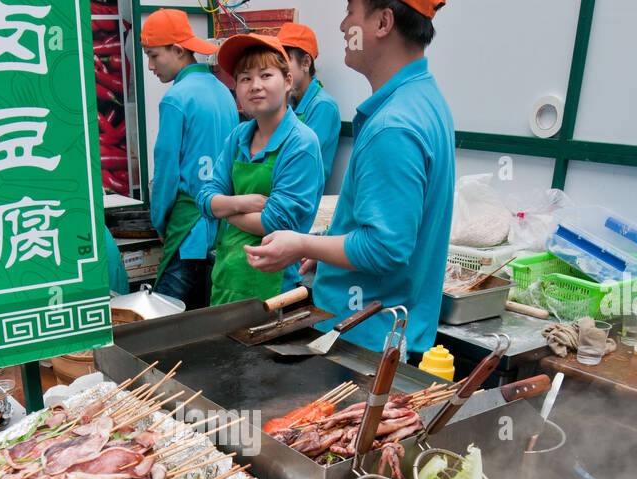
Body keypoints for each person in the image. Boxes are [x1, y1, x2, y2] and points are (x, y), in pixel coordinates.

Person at [248, 0, 455, 357]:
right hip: (391, 334)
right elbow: (387, 219)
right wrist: (328, 245)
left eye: (350, 12)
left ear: (383, 22)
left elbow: (384, 248)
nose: (343, 27)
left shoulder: (393, 126)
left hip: (366, 341)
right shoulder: (424, 99)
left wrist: (301, 245)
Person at [195, 34, 322, 305]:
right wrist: (243, 202)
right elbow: (204, 198)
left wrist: (227, 212)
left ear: (288, 81)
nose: (255, 86)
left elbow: (274, 222)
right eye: (244, 78)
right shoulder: (239, 136)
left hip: (273, 289)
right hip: (227, 277)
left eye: (265, 75)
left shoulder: (300, 143)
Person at [140, 8, 237, 310]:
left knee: (166, 319)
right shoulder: (224, 92)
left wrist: (158, 220)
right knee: (206, 317)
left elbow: (167, 171)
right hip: (222, 224)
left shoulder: (176, 98)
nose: (150, 65)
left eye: (154, 56)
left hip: (187, 227)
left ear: (179, 50)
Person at [277, 22, 342, 190]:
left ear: (306, 62)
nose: (278, 69)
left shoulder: (322, 106)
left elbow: (301, 160)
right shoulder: (289, 101)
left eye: (284, 60)